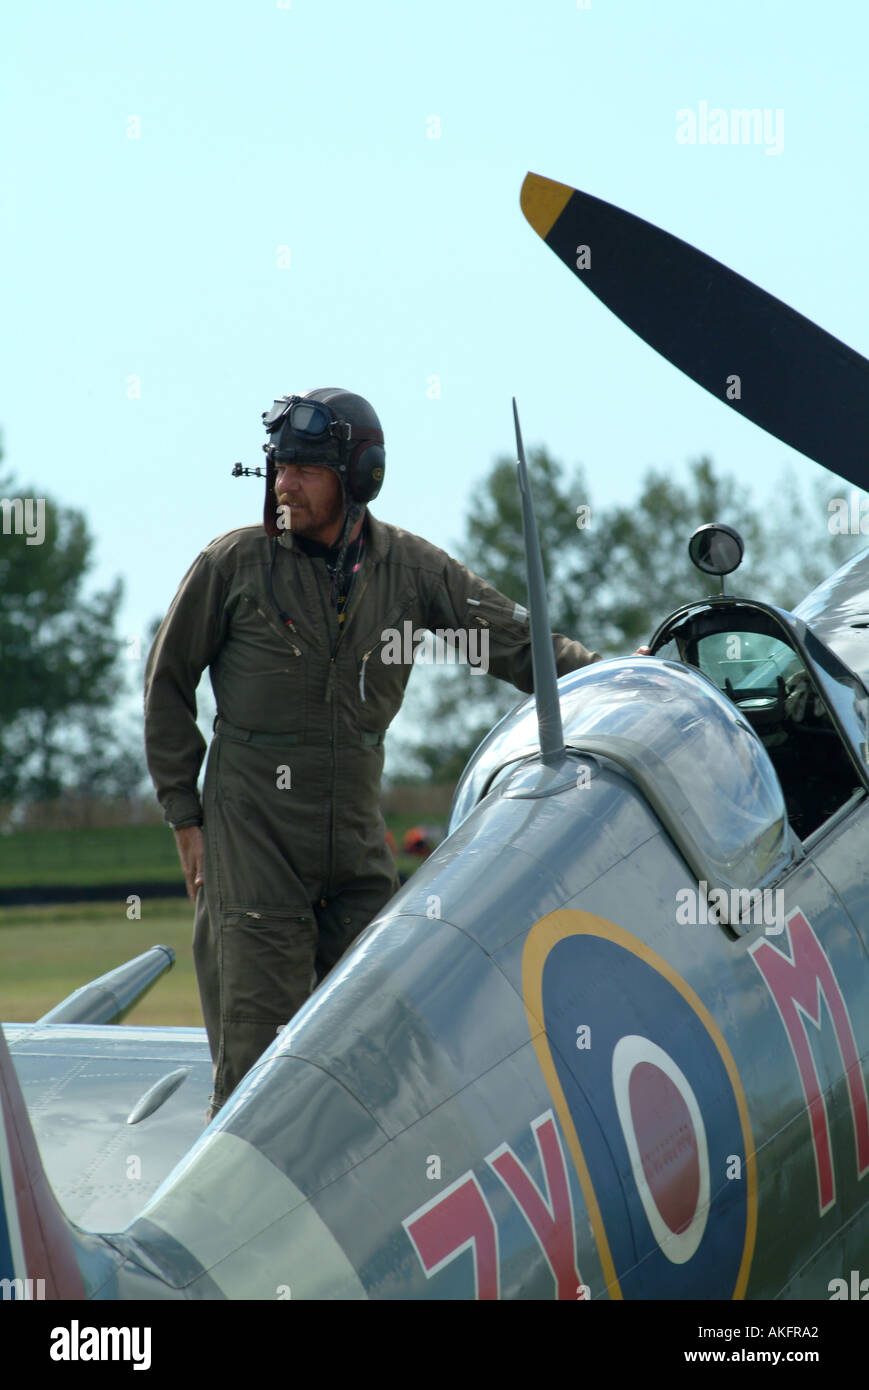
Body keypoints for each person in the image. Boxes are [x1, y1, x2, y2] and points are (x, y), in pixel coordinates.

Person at [144, 387, 603, 1121]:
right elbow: (166, 685)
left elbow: (521, 647)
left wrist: (624, 677)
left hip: (356, 852)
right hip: (253, 844)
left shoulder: (413, 572)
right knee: (257, 1077)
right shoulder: (232, 565)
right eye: (279, 466)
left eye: (305, 470)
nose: (285, 484)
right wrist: (184, 815)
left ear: (358, 477)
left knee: (386, 1057)